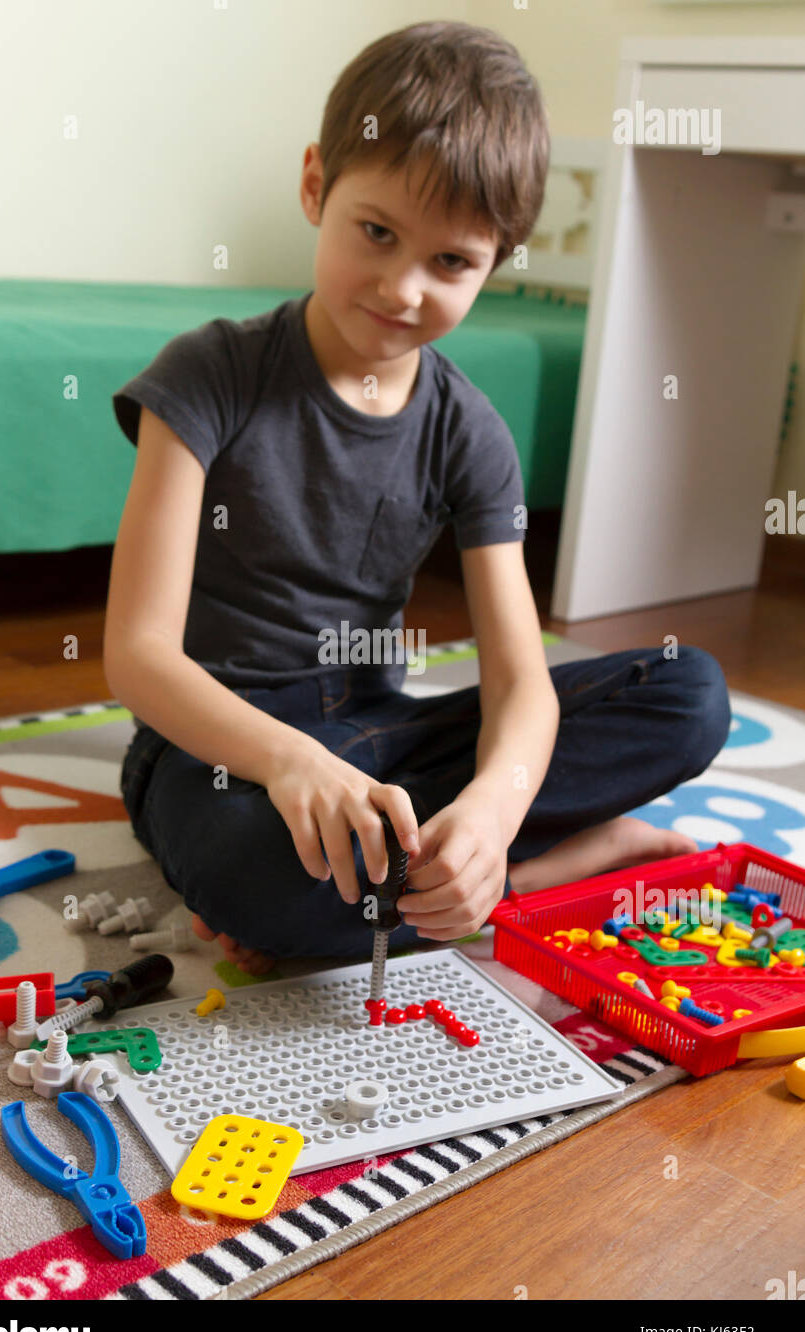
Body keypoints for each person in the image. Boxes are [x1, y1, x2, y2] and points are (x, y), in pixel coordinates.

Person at [105, 21, 731, 976]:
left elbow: (522, 681)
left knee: (691, 694)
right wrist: (289, 764)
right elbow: (139, 655)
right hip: (216, 748)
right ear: (317, 184)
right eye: (378, 233)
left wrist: (492, 808)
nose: (401, 288)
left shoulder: (469, 429)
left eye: (451, 263)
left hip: (378, 739)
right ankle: (526, 877)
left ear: (494, 262)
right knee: (259, 879)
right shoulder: (207, 376)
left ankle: (466, 870)